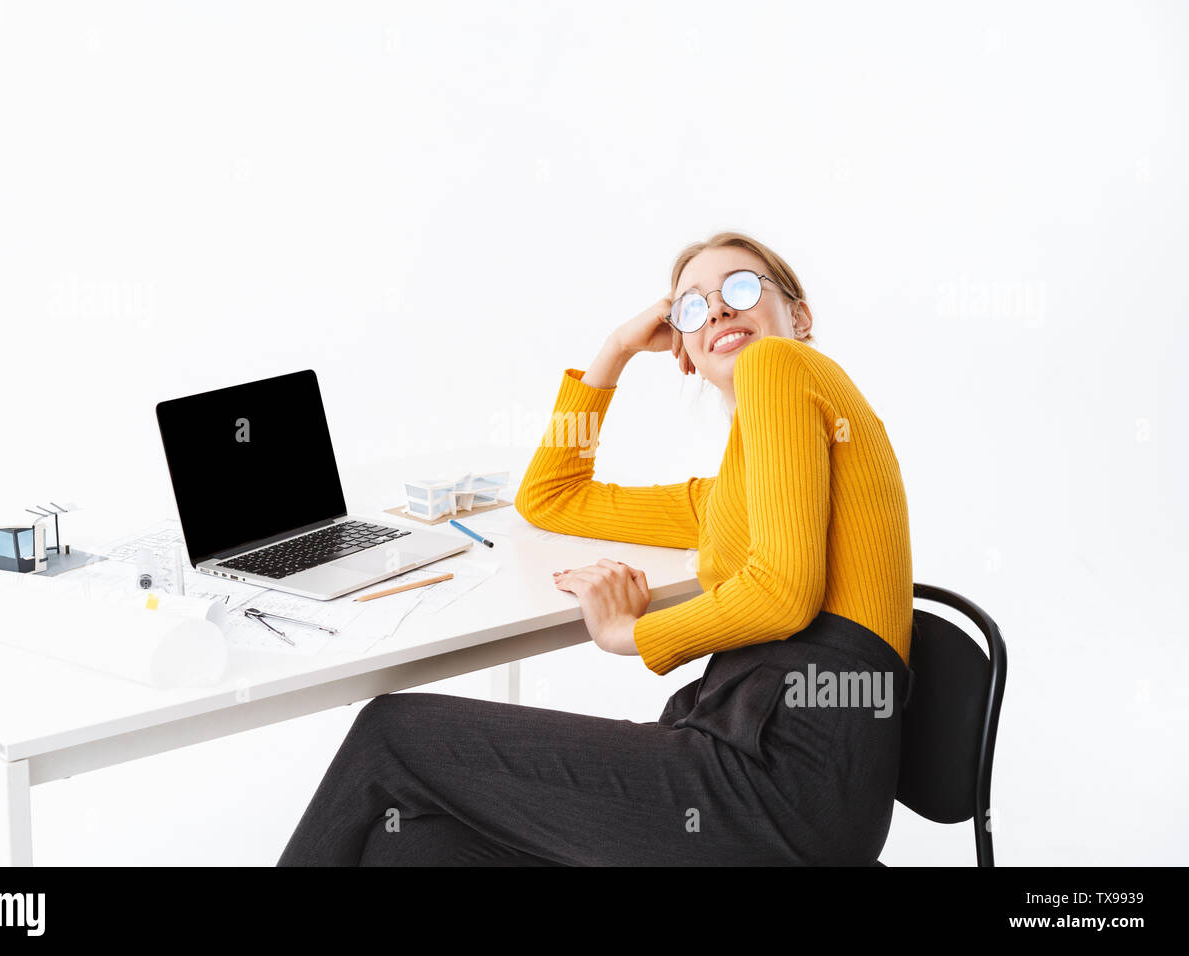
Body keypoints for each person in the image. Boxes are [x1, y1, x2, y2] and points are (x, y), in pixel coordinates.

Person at [277, 231, 913, 866]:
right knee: (415, 849)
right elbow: (552, 496)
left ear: (798, 317)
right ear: (684, 351)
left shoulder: (783, 364)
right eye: (691, 307)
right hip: (790, 787)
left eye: (742, 288)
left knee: (391, 735)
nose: (717, 309)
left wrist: (629, 633)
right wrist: (616, 351)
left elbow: (782, 596)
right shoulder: (733, 497)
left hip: (778, 783)